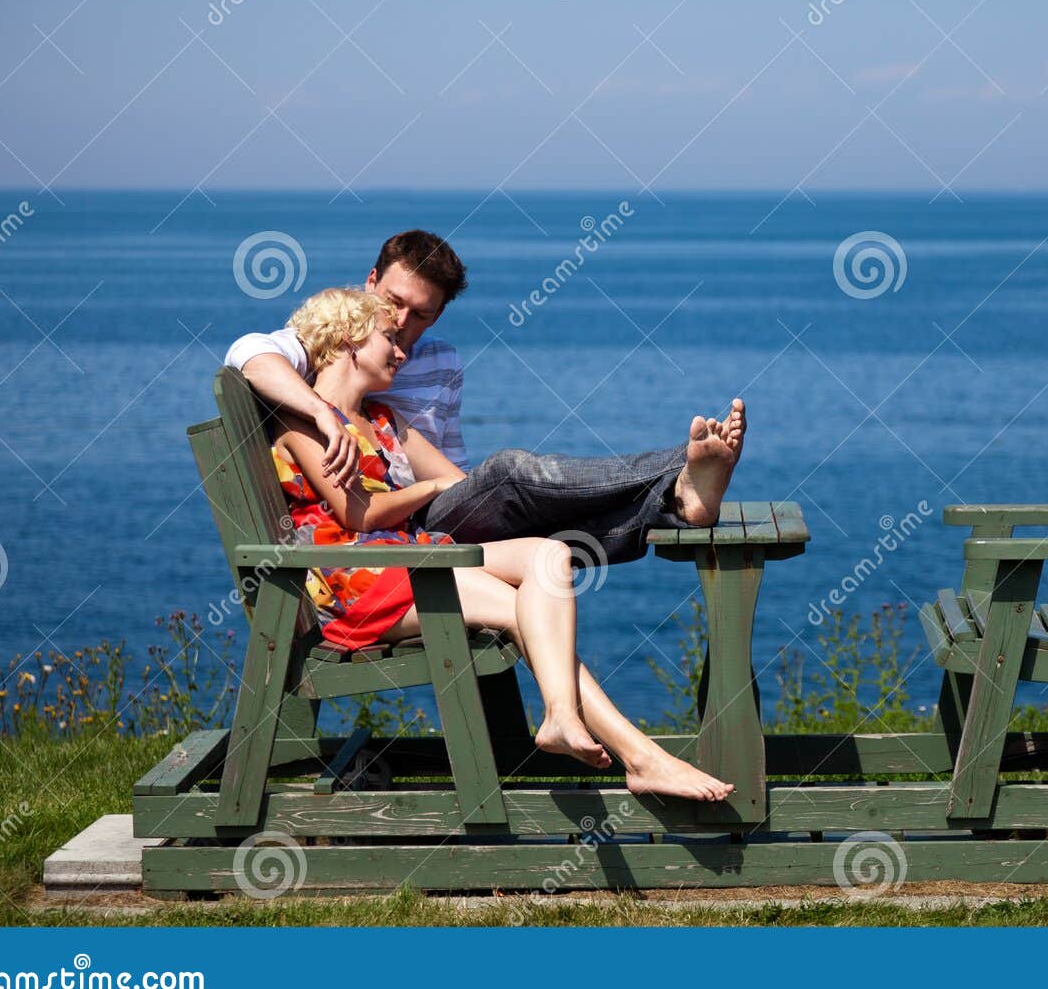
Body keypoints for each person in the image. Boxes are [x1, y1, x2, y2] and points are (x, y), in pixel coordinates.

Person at [271, 286, 737, 801]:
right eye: (387, 337)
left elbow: (459, 483)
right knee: (524, 611)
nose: (401, 350)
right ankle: (642, 758)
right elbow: (356, 513)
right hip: (357, 585)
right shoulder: (303, 422)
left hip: (403, 562)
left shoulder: (379, 420)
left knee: (548, 554)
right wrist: (429, 489)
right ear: (347, 340)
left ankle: (563, 715)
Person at [224, 229, 745, 568]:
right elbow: (245, 351)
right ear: (371, 282)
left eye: (422, 314)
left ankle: (679, 503)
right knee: (512, 471)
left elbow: (455, 471)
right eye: (393, 303)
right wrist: (321, 412)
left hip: (439, 506)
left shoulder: (440, 363)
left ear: (439, 315)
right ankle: (679, 465)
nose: (403, 326)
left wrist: (466, 492)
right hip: (393, 527)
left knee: (545, 528)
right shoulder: (333, 343)